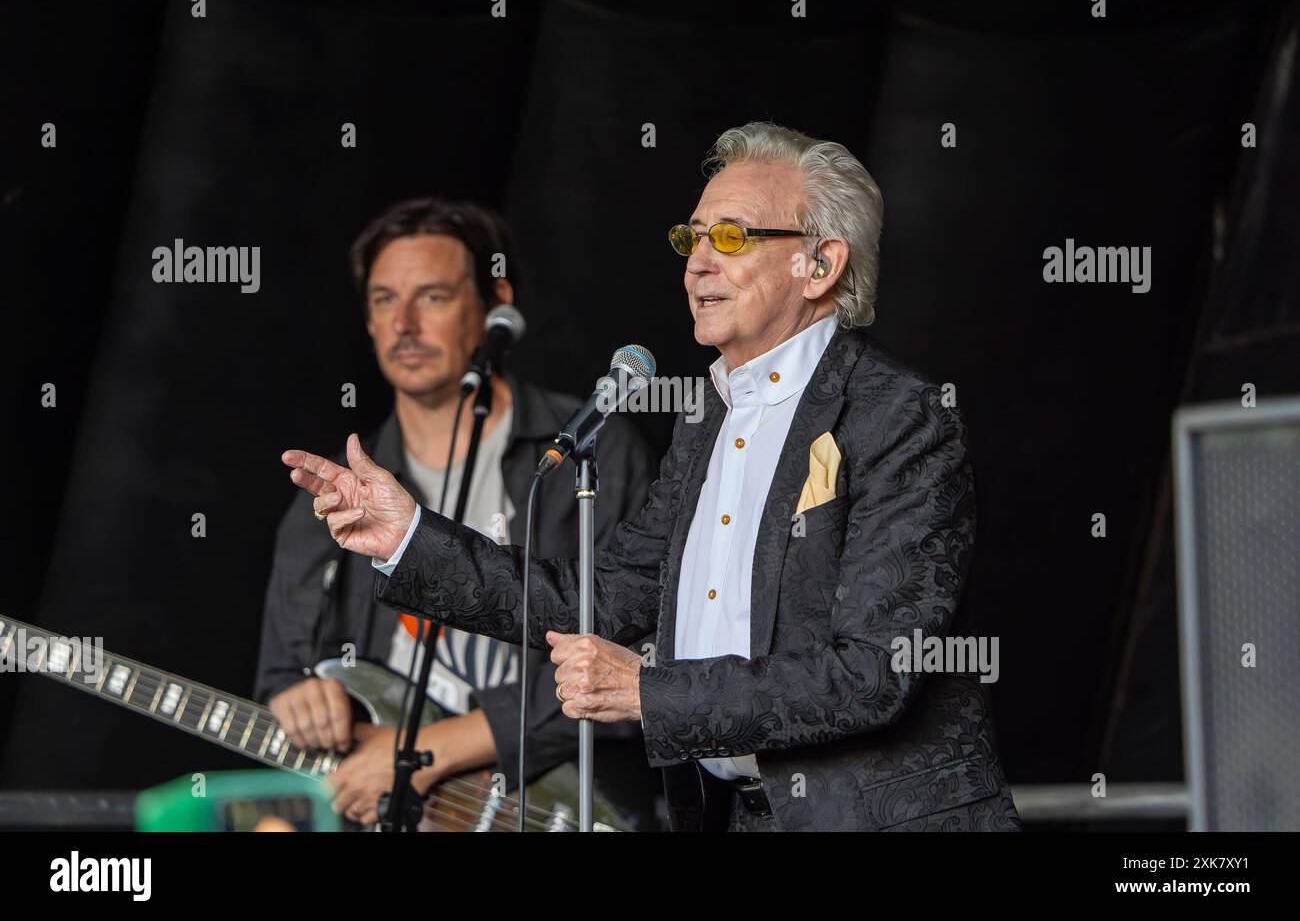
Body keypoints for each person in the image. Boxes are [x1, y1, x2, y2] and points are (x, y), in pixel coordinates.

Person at [285, 124, 1022, 831]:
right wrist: (408, 537)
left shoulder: (900, 416)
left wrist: (646, 691)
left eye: (730, 237)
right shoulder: (706, 415)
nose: (698, 262)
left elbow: (873, 673)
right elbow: (595, 598)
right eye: (692, 238)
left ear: (821, 265)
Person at [256, 197, 660, 828]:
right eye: (385, 300)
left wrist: (428, 751)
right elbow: (282, 673)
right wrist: (300, 700)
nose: (405, 325)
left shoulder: (590, 445)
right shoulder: (333, 486)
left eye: (434, 297)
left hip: (557, 805)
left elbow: (632, 648)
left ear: (495, 300)